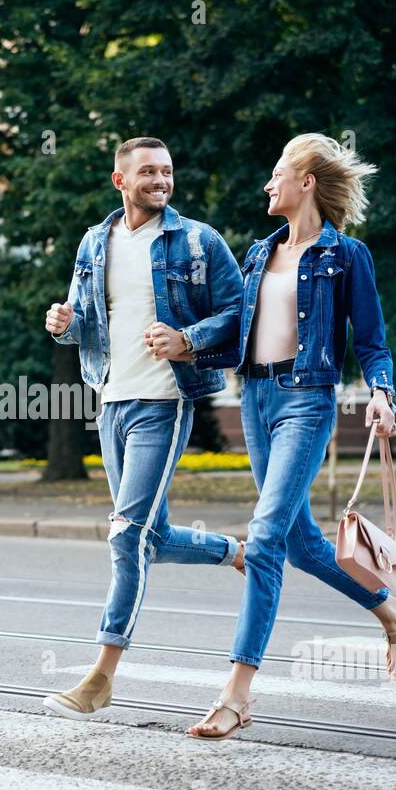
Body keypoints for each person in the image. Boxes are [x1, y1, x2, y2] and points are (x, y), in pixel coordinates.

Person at [187, 133, 396, 741]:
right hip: (255, 399)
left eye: (276, 174)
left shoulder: (345, 256)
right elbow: (235, 326)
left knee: (262, 540)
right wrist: (184, 340)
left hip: (305, 401)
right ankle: (391, 609)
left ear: (307, 181)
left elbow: (370, 340)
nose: (268, 185)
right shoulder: (259, 253)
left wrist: (381, 393)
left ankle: (237, 693)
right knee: (299, 545)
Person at [41, 136, 246, 720]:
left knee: (126, 536)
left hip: (165, 400)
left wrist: (189, 341)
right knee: (144, 534)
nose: (161, 180)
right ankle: (238, 552)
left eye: (167, 171)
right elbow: (86, 323)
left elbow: (238, 313)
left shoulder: (199, 240)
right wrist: (63, 324)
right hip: (111, 401)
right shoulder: (94, 242)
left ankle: (101, 675)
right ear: (120, 180)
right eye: (149, 171)